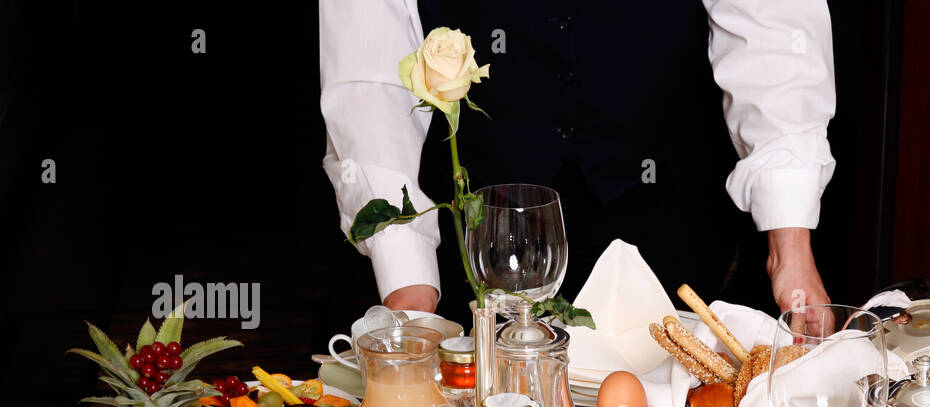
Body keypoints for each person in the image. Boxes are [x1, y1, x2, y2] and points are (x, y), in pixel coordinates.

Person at [320, 0, 835, 317]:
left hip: (664, 222)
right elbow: (369, 78)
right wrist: (406, 279)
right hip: (476, 242)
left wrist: (789, 244)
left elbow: (772, 34)